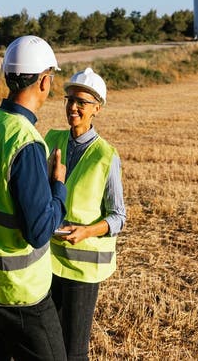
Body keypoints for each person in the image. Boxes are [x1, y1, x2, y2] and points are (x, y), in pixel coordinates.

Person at [0, 35, 68, 361]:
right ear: (45, 81)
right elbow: (38, 230)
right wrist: (58, 187)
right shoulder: (25, 141)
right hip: (21, 293)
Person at [45, 68, 126, 361]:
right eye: (69, 100)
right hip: (49, 261)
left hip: (84, 269)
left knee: (74, 349)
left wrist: (87, 231)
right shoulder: (51, 139)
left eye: (82, 102)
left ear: (97, 108)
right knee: (48, 345)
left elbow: (119, 216)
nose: (73, 107)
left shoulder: (107, 155)